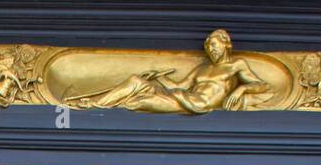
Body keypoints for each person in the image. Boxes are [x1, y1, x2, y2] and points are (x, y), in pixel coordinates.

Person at [65, 29, 270, 114]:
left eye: (214, 45)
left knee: (138, 102)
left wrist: (239, 91)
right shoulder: (203, 68)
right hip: (183, 97)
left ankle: (97, 109)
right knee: (137, 80)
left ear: (227, 45)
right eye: (209, 47)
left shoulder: (237, 65)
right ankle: (93, 104)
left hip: (199, 104)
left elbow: (262, 85)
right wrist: (159, 77)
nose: (211, 50)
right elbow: (179, 87)